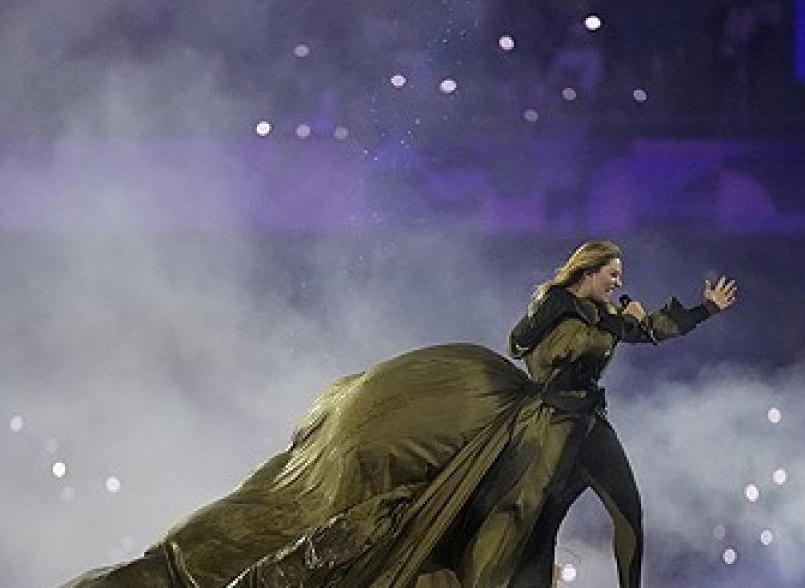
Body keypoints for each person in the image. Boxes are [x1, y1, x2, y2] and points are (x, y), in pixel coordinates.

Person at [61, 240, 738, 588]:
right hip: (545, 420)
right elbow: (523, 343)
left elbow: (646, 333)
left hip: (583, 422)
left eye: (620, 272)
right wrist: (594, 323)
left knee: (623, 511)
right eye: (611, 270)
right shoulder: (564, 306)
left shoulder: (610, 315)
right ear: (586, 272)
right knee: (514, 533)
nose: (620, 279)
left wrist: (702, 310)